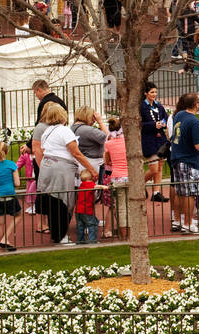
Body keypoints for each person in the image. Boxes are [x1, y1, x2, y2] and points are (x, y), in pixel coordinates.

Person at [36, 103, 98, 244]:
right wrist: (92, 170)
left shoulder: (47, 131)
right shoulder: (64, 131)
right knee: (63, 202)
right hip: (61, 169)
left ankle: (56, 234)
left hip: (47, 166)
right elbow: (76, 153)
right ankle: (61, 235)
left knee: (53, 202)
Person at [169, 92, 199, 234]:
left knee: (181, 192)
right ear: (195, 104)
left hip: (177, 157)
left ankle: (179, 220)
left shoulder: (179, 115)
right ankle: (188, 223)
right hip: (189, 160)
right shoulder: (194, 121)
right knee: (191, 193)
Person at [140, 84, 170, 202]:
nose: (154, 95)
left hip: (160, 139)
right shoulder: (142, 107)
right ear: (145, 93)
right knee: (153, 168)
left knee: (160, 166)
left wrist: (162, 123)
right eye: (152, 92)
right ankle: (138, 186)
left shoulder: (158, 105)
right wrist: (153, 125)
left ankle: (156, 192)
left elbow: (165, 117)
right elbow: (139, 123)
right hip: (149, 140)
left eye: (155, 92)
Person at [103, 117, 130, 240]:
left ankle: (122, 235)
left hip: (117, 176)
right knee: (130, 206)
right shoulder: (128, 142)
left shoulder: (108, 144)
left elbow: (107, 161)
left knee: (120, 207)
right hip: (129, 176)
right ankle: (129, 234)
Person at [75, 172, 99, 244]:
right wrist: (104, 187)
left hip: (78, 210)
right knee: (92, 225)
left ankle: (80, 241)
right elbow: (96, 186)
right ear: (91, 178)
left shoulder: (82, 185)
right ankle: (92, 241)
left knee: (80, 227)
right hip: (87, 210)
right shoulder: (90, 184)